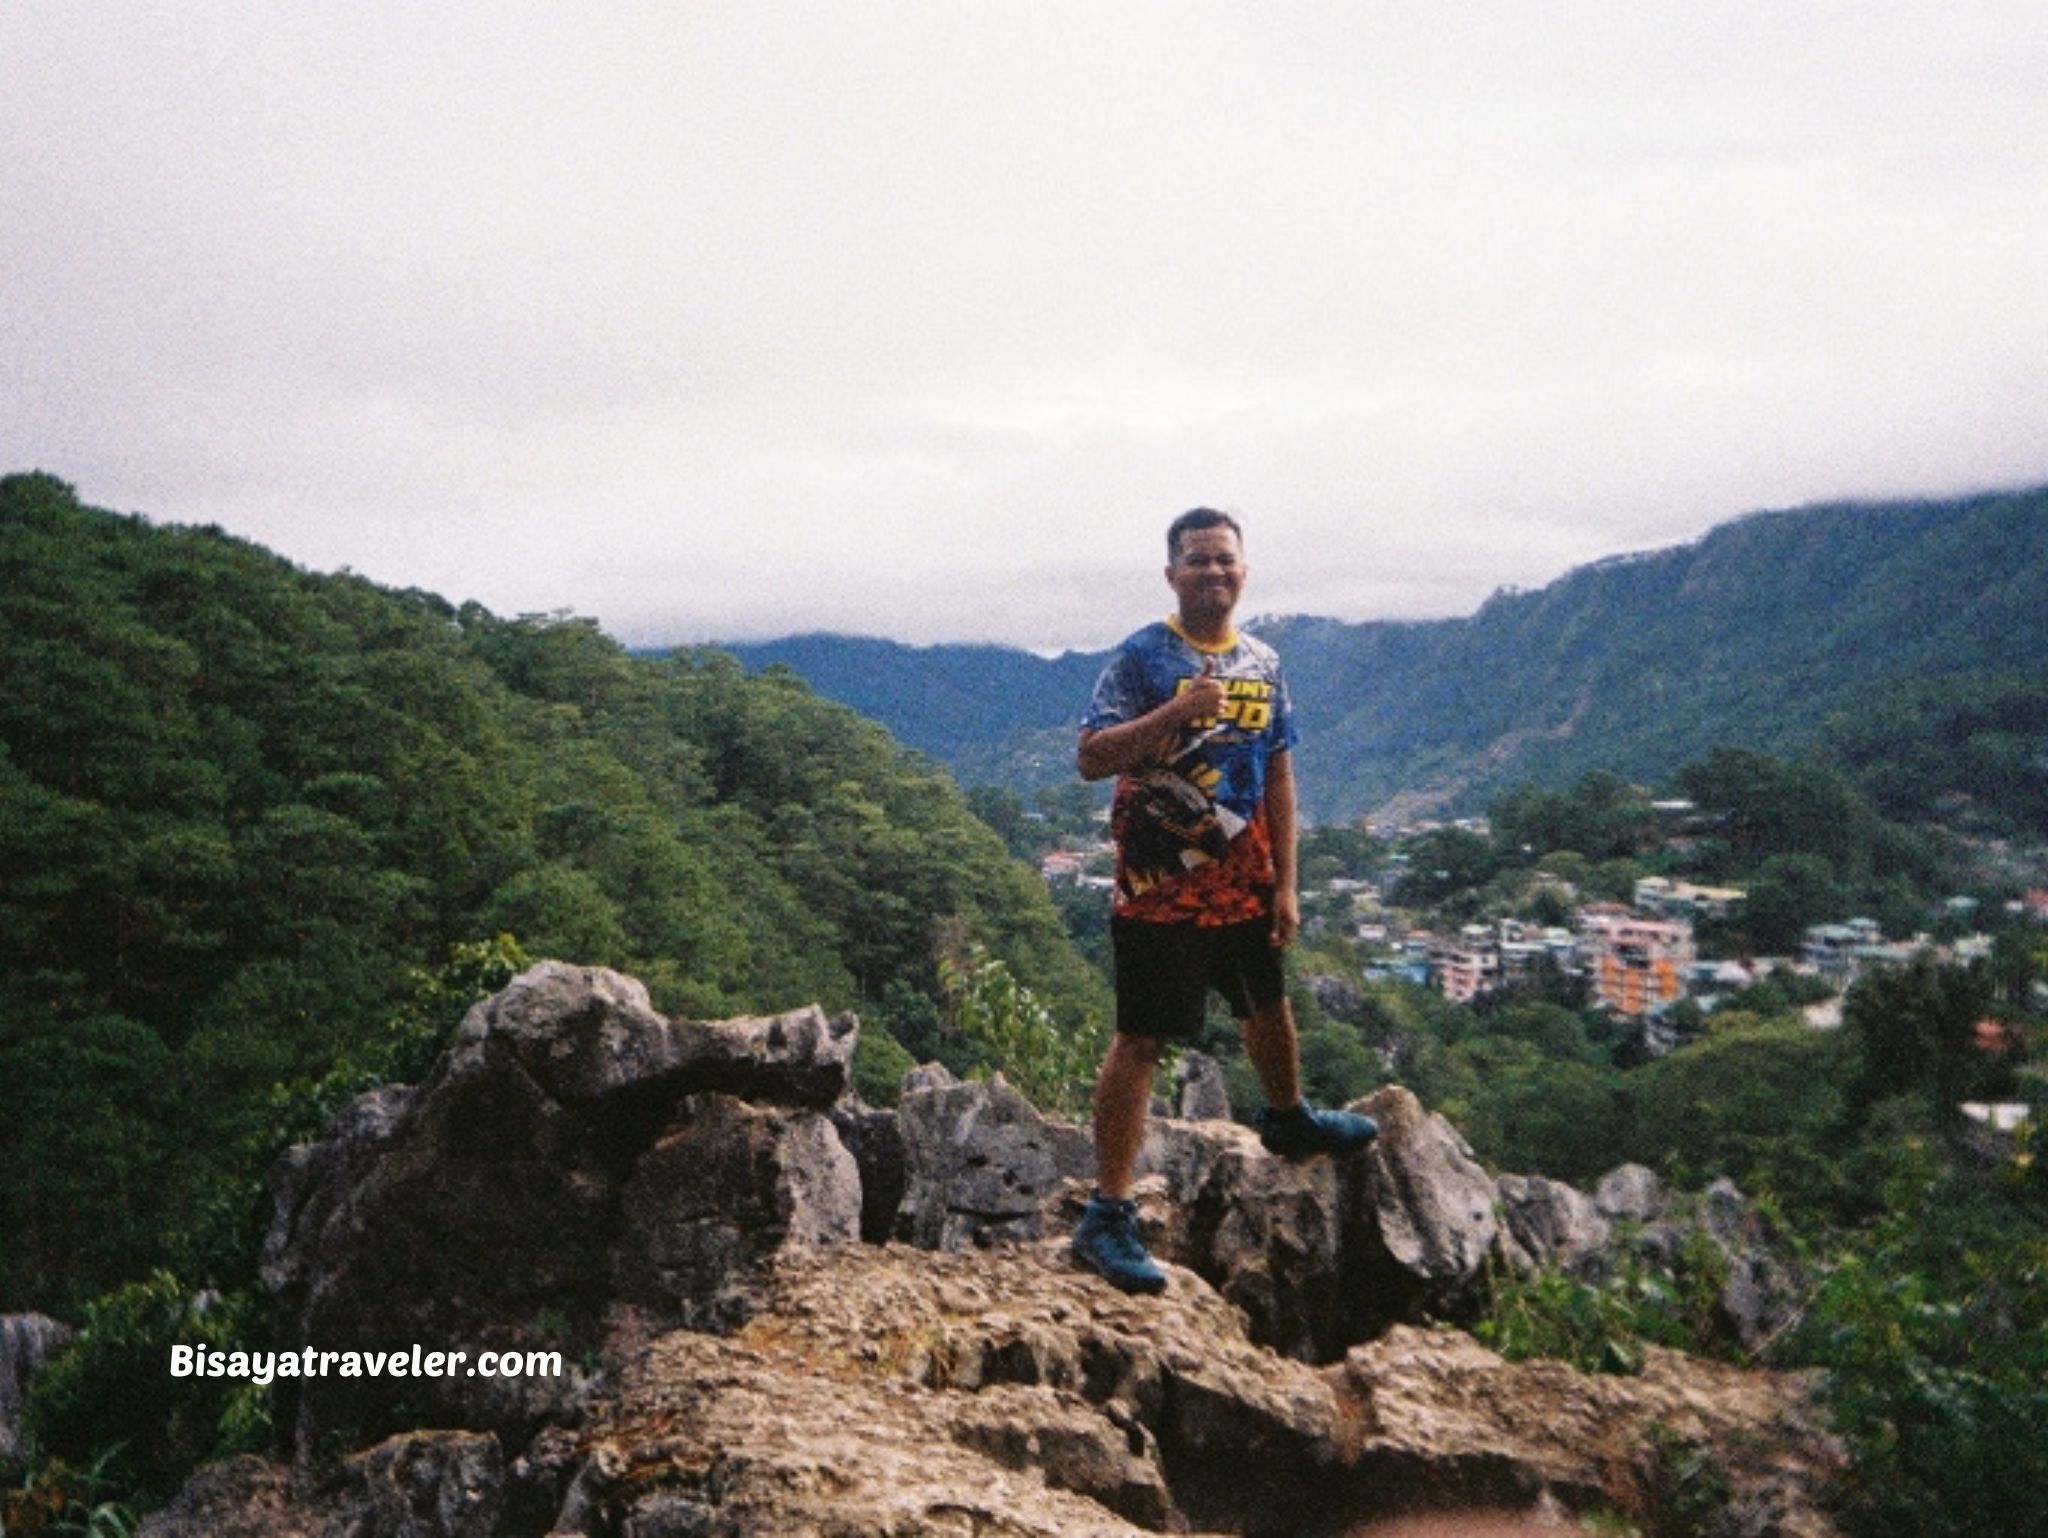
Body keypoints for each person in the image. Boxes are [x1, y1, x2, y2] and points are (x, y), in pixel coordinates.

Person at [1070, 507, 1378, 1294]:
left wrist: (1287, 883)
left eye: (1226, 560)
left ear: (1245, 569)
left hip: (1245, 875)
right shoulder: (1142, 657)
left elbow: (1278, 770)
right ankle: (1107, 1212)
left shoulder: (1264, 660)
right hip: (1160, 881)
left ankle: (1286, 1115)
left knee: (1265, 1003)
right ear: (1171, 573)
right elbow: (1092, 758)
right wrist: (1178, 712)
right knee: (1140, 1040)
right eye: (1198, 561)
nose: (1214, 572)